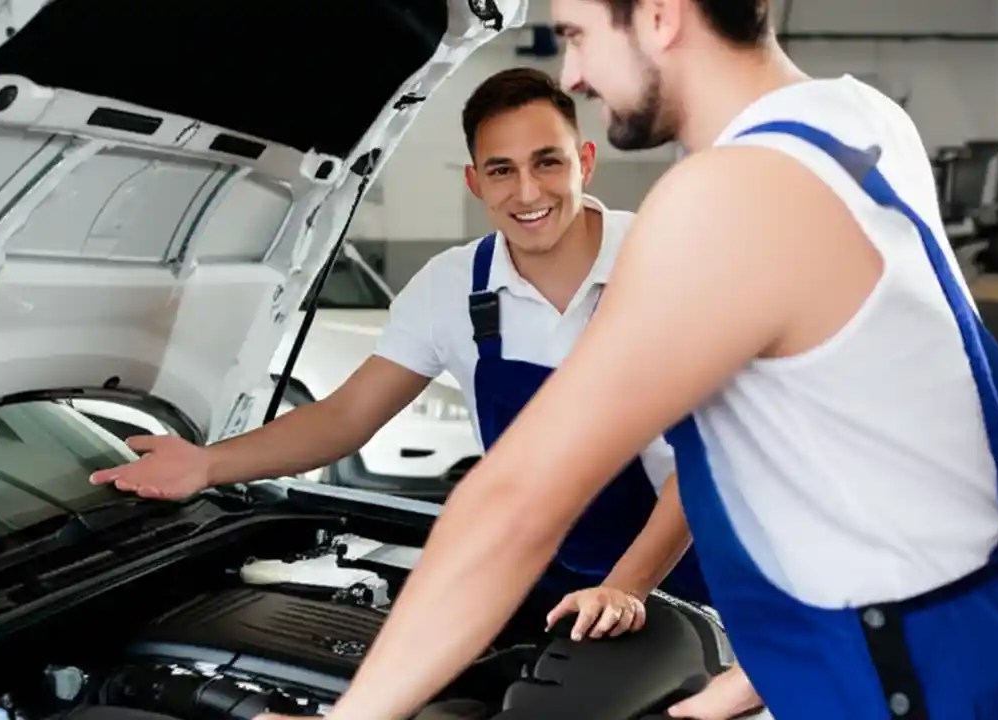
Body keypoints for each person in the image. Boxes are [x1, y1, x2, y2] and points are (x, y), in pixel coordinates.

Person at [256, 1, 998, 719]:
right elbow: (886, 450)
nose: (573, 75)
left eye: (578, 35)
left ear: (658, 16)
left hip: (905, 681)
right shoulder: (855, 119)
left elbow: (518, 502)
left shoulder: (724, 197)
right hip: (956, 643)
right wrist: (748, 681)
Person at [91, 67, 713, 636]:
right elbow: (345, 418)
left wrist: (625, 589)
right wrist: (206, 464)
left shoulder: (668, 260)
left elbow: (703, 464)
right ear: (475, 181)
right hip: (549, 578)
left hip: (704, 575)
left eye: (547, 163)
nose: (528, 192)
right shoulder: (451, 289)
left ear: (584, 163)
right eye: (501, 170)